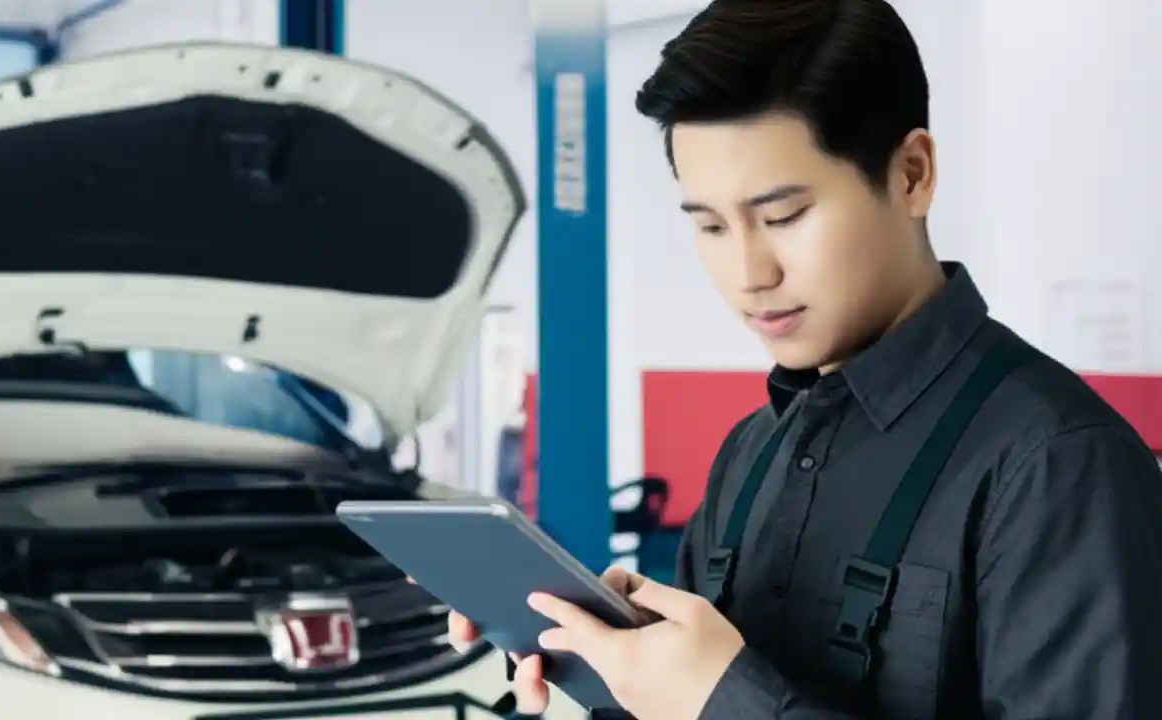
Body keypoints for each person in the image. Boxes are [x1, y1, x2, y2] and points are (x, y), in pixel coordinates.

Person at [446, 0, 1162, 717]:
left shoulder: (1058, 465)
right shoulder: (749, 456)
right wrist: (611, 668)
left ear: (912, 173)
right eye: (711, 226)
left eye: (783, 217)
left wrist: (724, 699)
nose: (749, 272)